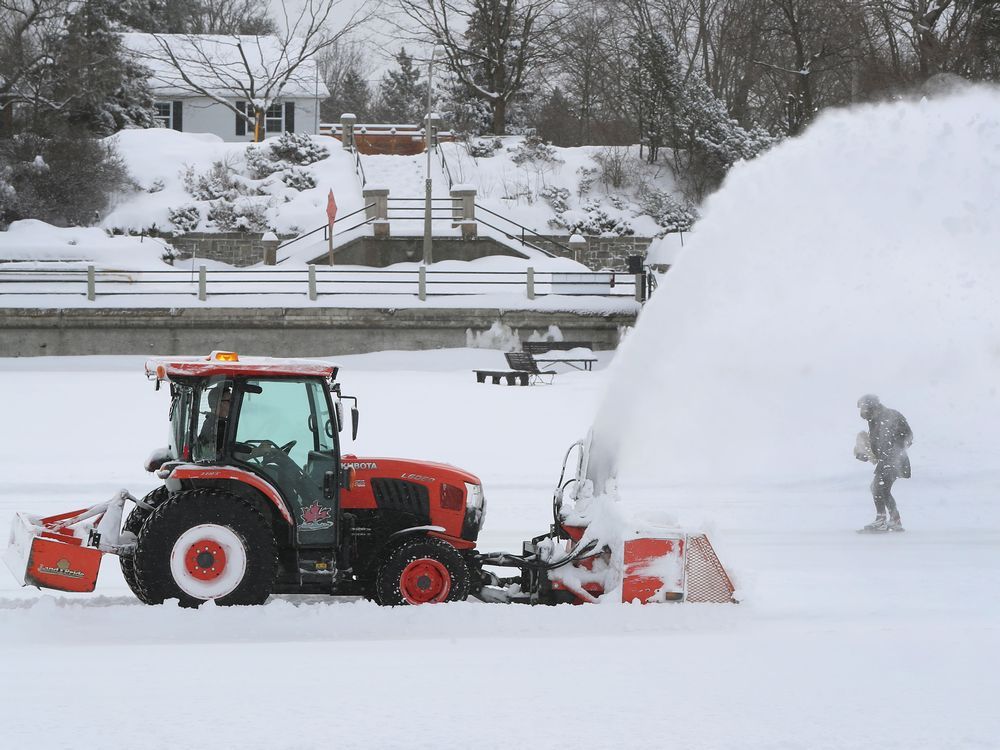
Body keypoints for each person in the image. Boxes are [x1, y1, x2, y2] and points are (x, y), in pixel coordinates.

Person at [855, 394, 912, 532]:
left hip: (894, 459)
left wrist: (894, 449)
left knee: (877, 487)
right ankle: (895, 520)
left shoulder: (890, 416)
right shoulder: (874, 421)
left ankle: (881, 520)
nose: (861, 413)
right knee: (882, 489)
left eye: (862, 408)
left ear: (870, 406)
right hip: (889, 459)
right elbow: (876, 446)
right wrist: (864, 453)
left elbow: (908, 436)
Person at [197, 385, 232, 457]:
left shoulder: (217, 423)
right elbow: (223, 456)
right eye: (230, 400)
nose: (232, 404)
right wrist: (255, 452)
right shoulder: (214, 427)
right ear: (219, 402)